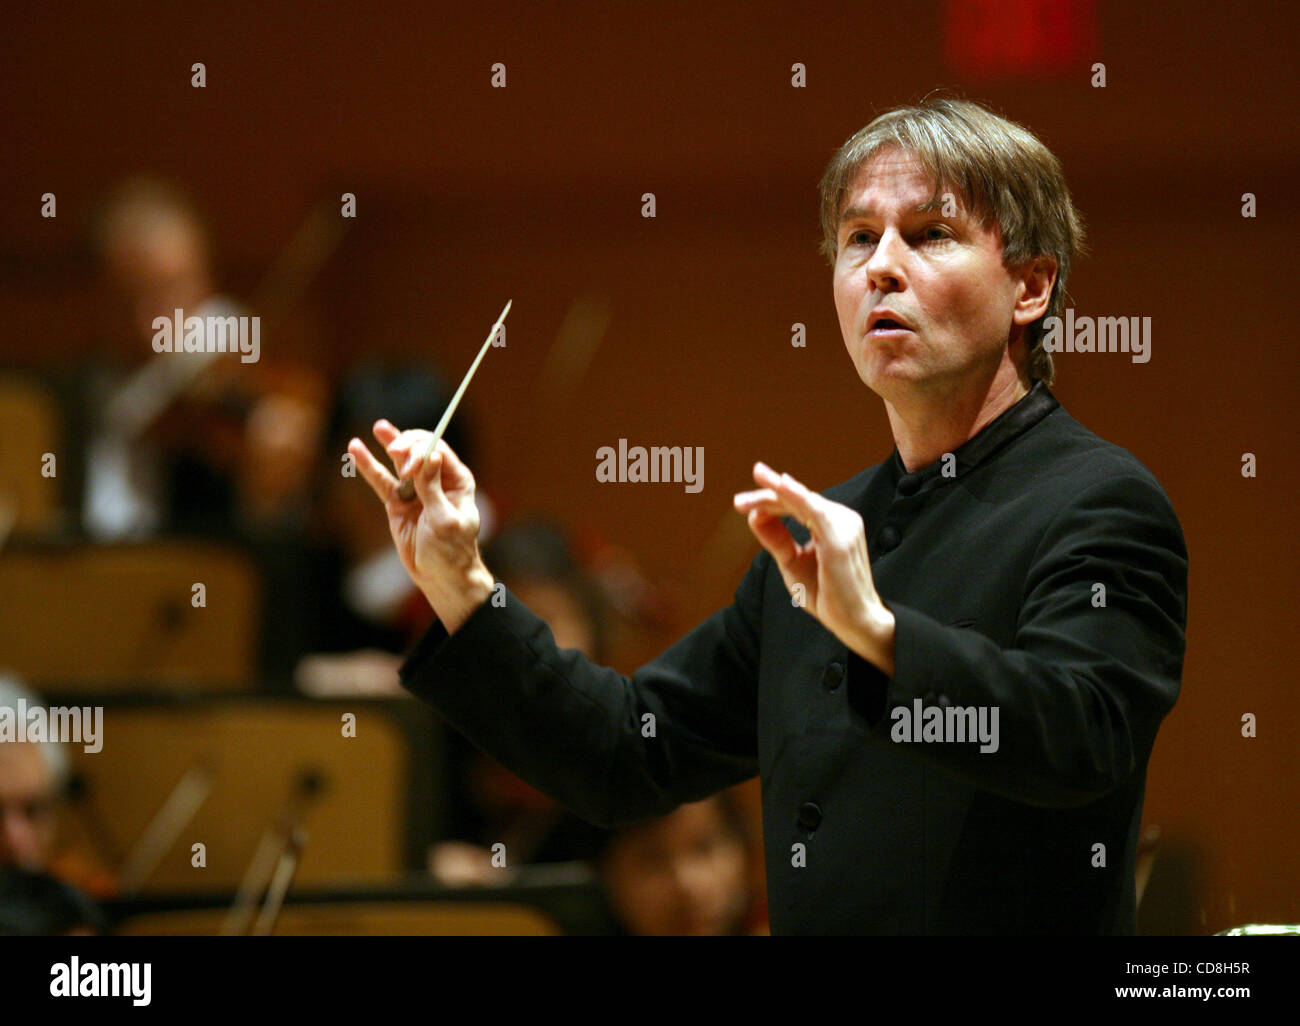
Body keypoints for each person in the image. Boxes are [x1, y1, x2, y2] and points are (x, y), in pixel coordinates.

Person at [347, 97, 1187, 934]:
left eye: (930, 234)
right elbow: (623, 755)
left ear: (1031, 286)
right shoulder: (823, 534)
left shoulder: (1098, 502)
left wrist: (878, 632)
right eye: (859, 238)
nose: (881, 267)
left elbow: (1083, 738)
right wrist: (458, 580)